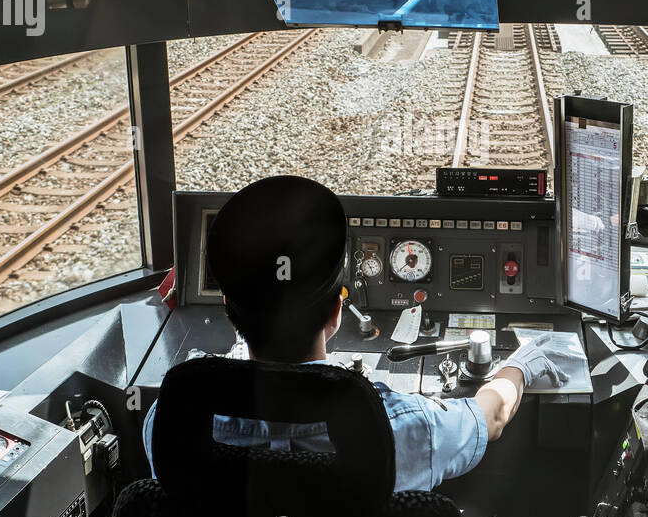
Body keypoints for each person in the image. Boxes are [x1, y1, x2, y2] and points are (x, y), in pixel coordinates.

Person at [143, 175, 567, 492]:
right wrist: (519, 368)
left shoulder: (175, 416)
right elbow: (489, 417)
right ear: (336, 312)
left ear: (226, 308)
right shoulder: (396, 426)